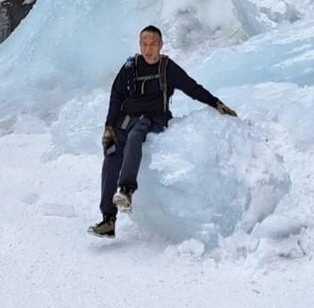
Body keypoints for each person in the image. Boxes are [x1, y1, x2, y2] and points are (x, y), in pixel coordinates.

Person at [88, 25, 236, 238]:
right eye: (144, 45)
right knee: (111, 153)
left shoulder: (168, 68)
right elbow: (116, 95)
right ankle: (108, 219)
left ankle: (126, 190)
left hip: (153, 119)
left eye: (153, 45)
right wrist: (109, 126)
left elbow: (191, 87)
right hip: (125, 120)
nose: (148, 49)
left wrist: (215, 103)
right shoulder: (130, 67)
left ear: (161, 45)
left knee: (135, 136)